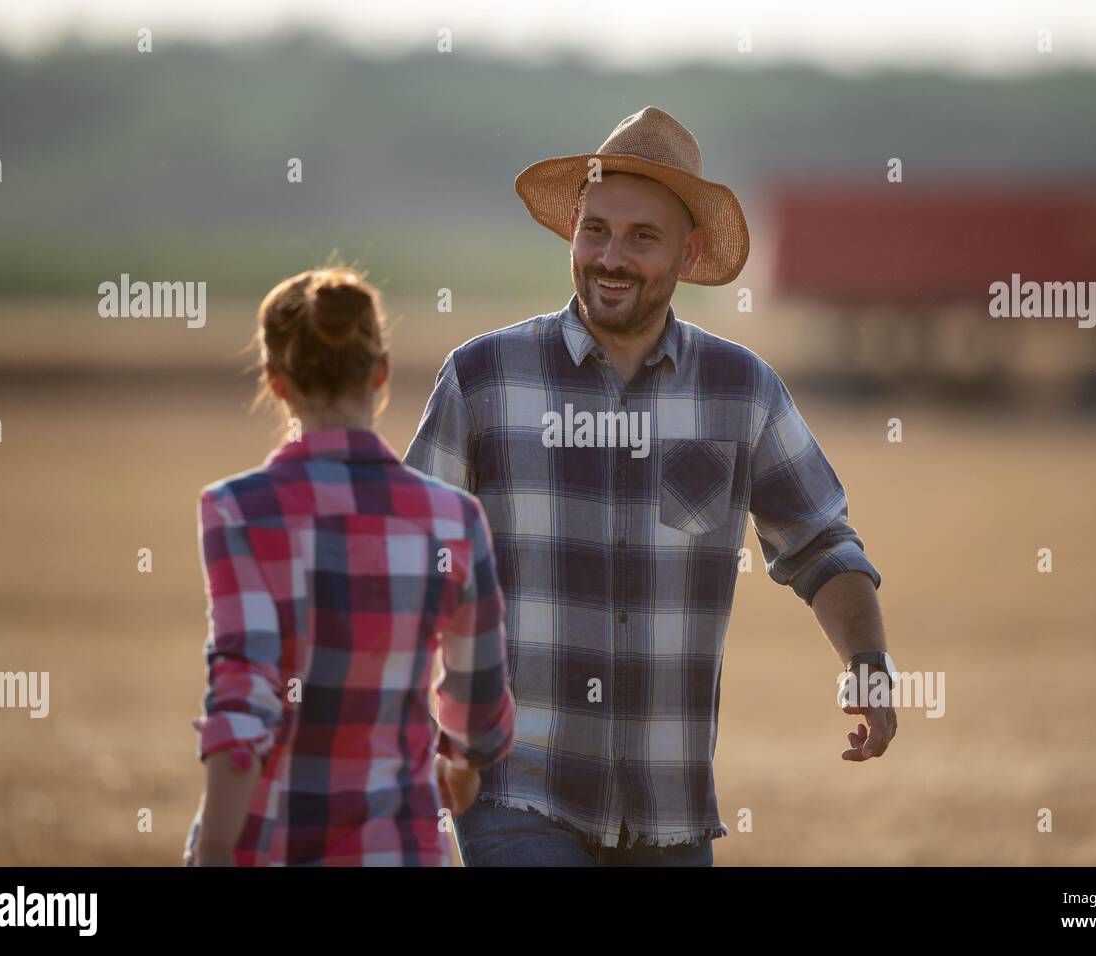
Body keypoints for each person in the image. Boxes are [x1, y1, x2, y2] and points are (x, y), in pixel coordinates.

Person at [405, 106, 896, 867]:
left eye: (642, 237)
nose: (611, 256)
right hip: (512, 793)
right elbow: (408, 559)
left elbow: (821, 540)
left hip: (671, 815)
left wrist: (867, 664)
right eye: (595, 229)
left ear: (688, 251)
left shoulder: (742, 391)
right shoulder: (484, 379)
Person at [184, 266, 515, 866]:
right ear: (381, 373)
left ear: (275, 381)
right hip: (399, 848)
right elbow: (479, 703)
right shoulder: (451, 519)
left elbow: (243, 699)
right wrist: (462, 761)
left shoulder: (238, 512)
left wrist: (211, 851)